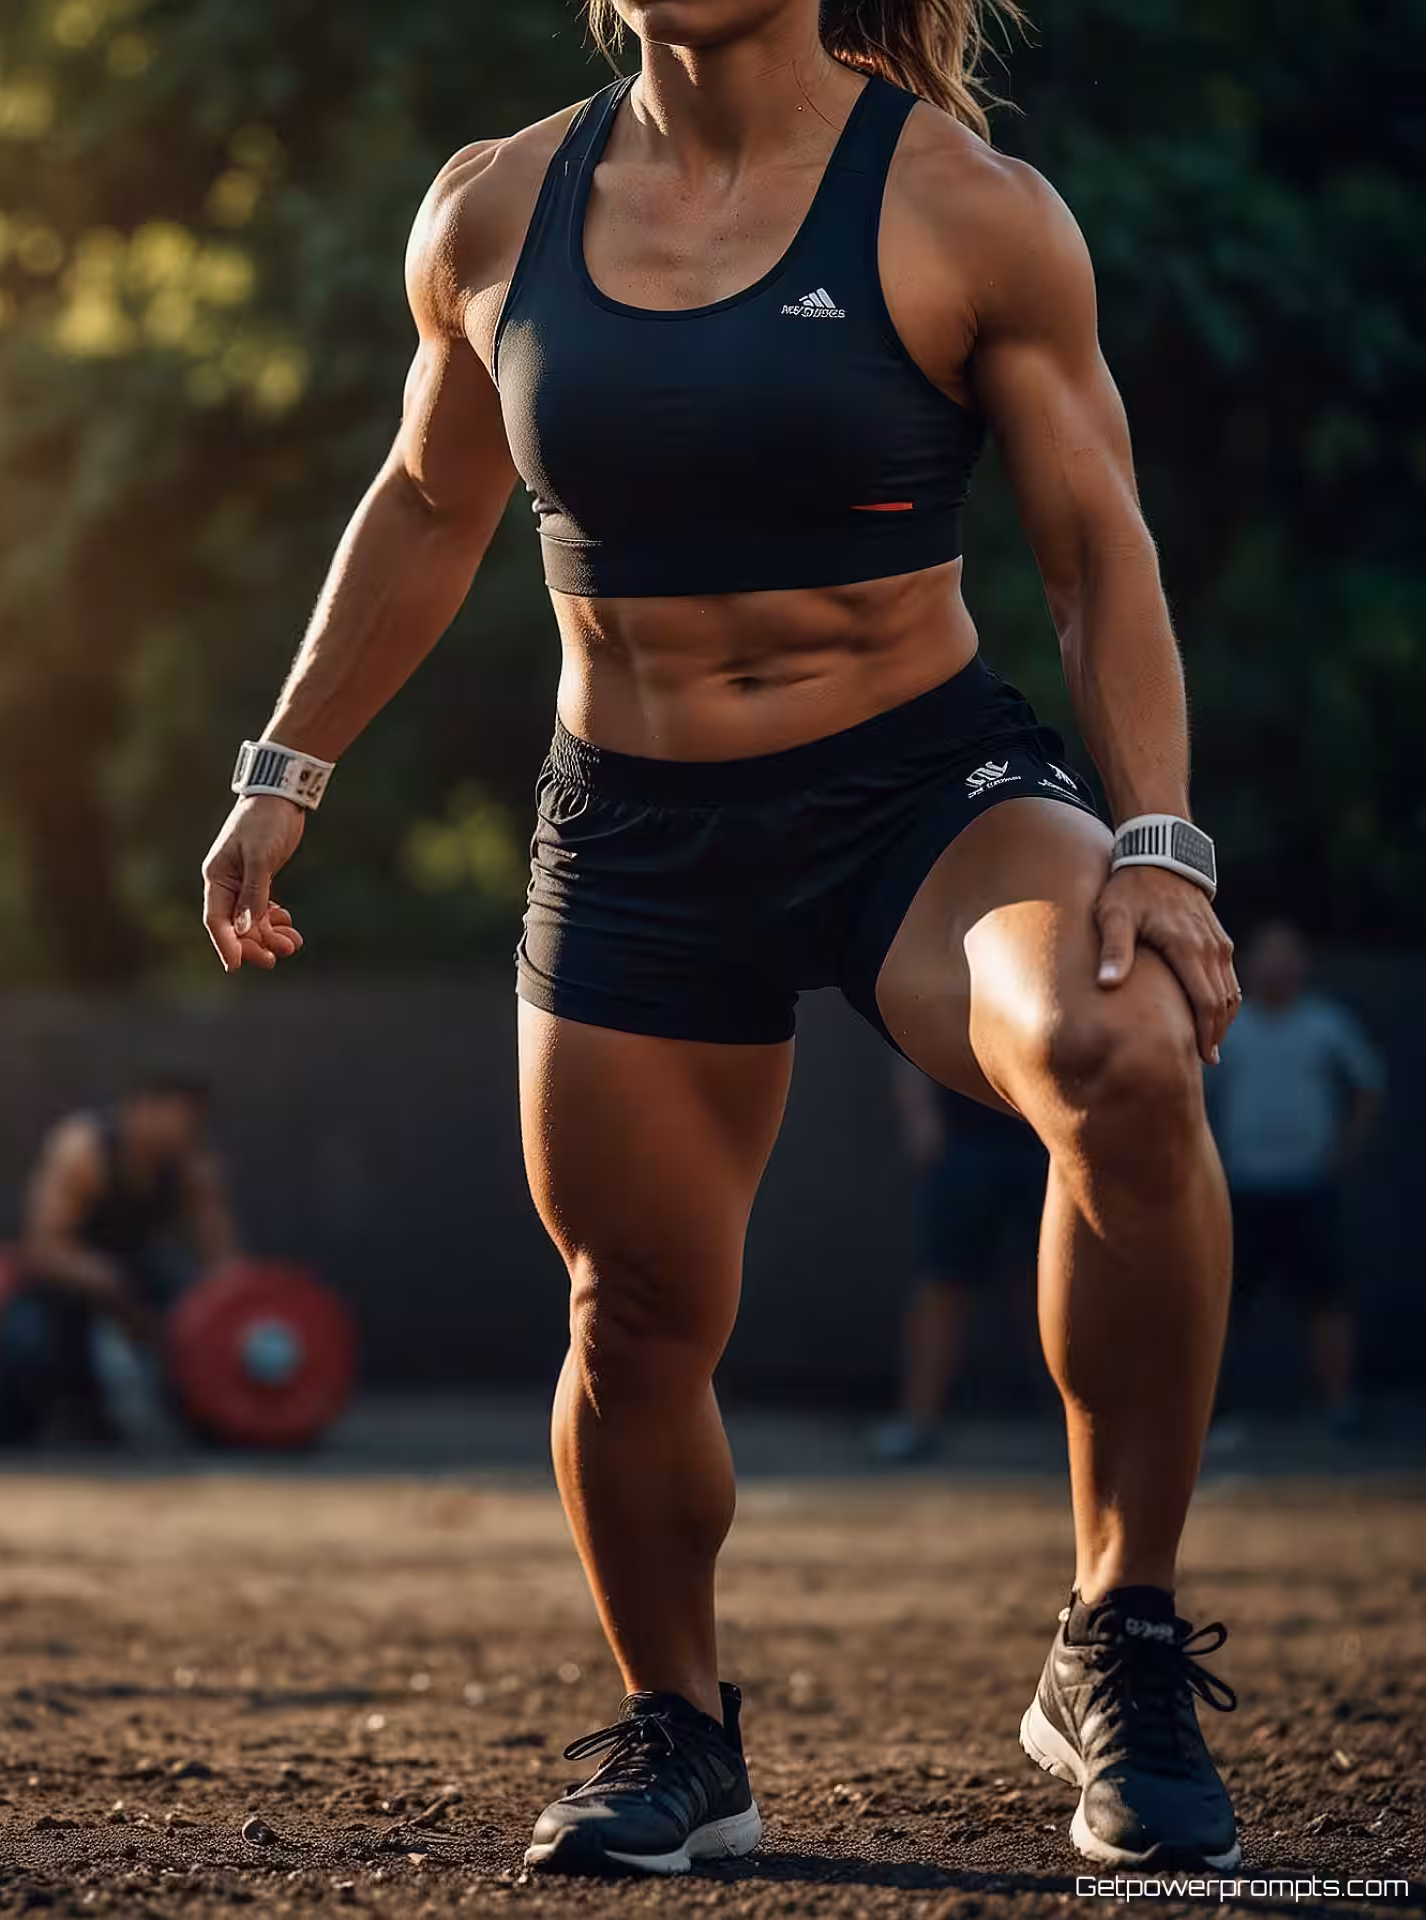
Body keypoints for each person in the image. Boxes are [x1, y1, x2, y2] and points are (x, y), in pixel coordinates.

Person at [201, 0, 1244, 1876]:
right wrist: (291, 764)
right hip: (640, 828)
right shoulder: (491, 210)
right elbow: (435, 497)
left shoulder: (964, 206)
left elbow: (1097, 552)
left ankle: (1122, 1642)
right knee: (635, 1311)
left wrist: (1157, 844)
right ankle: (683, 1734)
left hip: (923, 797)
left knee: (1126, 1045)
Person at [0, 1076, 238, 1445]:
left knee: (194, 1302)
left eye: (192, 1123)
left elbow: (225, 1264)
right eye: (177, 1119)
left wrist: (219, 1322)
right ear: (141, 1111)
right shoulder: (81, 1150)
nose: (183, 1132)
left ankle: (200, 1411)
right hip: (63, 1280)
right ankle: (71, 1411)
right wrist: (105, 1282)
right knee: (29, 1344)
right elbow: (41, 1249)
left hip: (136, 1268)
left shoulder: (192, 1166)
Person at [1210, 920, 1382, 1434]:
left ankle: (1340, 1409)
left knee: (1326, 1299)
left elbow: (1369, 1085)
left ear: (1304, 964)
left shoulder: (1327, 1024)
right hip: (1240, 1190)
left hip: (1309, 1189)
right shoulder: (1227, 1024)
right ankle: (1207, 1416)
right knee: (1219, 1306)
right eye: (1267, 954)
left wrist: (1345, 1150)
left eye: (1288, 954)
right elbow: (1194, 1095)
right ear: (1246, 962)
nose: (1276, 965)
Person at [876, 1063, 1047, 1462]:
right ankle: (918, 1419)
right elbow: (909, 1026)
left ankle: (1078, 1423)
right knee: (944, 1280)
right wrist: (919, 1114)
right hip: (962, 1139)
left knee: (1054, 1283)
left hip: (1047, 1136)